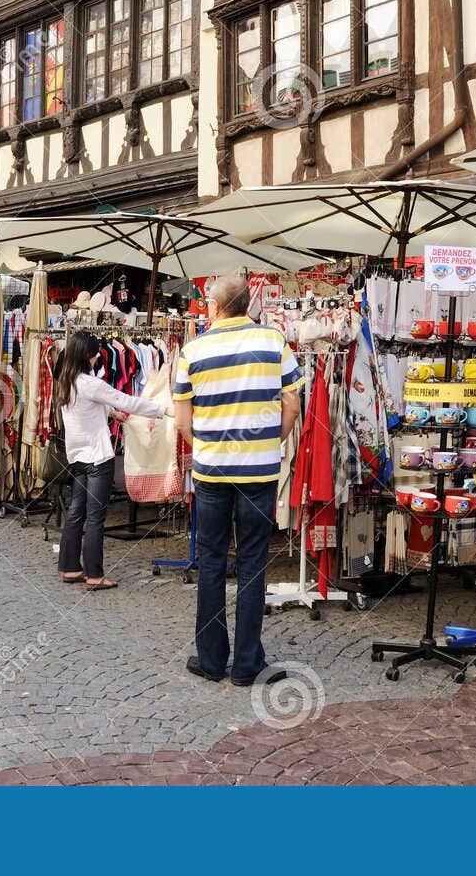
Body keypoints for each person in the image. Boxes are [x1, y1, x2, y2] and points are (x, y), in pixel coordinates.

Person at [173, 275, 301, 687]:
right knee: (251, 562)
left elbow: (182, 421)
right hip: (259, 469)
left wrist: (208, 445)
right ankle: (247, 665)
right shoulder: (273, 341)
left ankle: (212, 660)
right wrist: (271, 440)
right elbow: (293, 402)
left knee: (211, 561)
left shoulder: (193, 351)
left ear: (213, 306)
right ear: (249, 304)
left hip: (211, 470)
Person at [52, 329, 168, 591]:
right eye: (95, 356)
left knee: (75, 512)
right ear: (89, 356)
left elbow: (91, 406)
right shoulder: (91, 383)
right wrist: (163, 409)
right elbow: (129, 401)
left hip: (77, 456)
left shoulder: (66, 381)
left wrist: (111, 413)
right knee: (95, 517)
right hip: (98, 458)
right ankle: (94, 574)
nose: (96, 360)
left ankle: (70, 567)